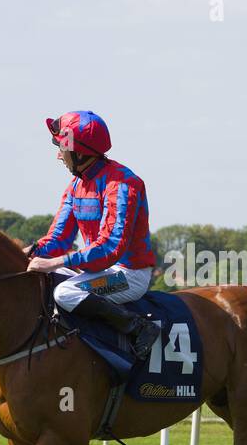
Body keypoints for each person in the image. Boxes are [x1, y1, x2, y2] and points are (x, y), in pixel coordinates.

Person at [24, 110, 160, 360]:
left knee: (65, 293)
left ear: (79, 151)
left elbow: (110, 247)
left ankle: (139, 327)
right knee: (40, 279)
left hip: (128, 275)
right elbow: (58, 240)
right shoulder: (76, 185)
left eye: (61, 148)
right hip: (96, 272)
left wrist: (56, 262)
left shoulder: (121, 184)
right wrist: (26, 253)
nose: (58, 155)